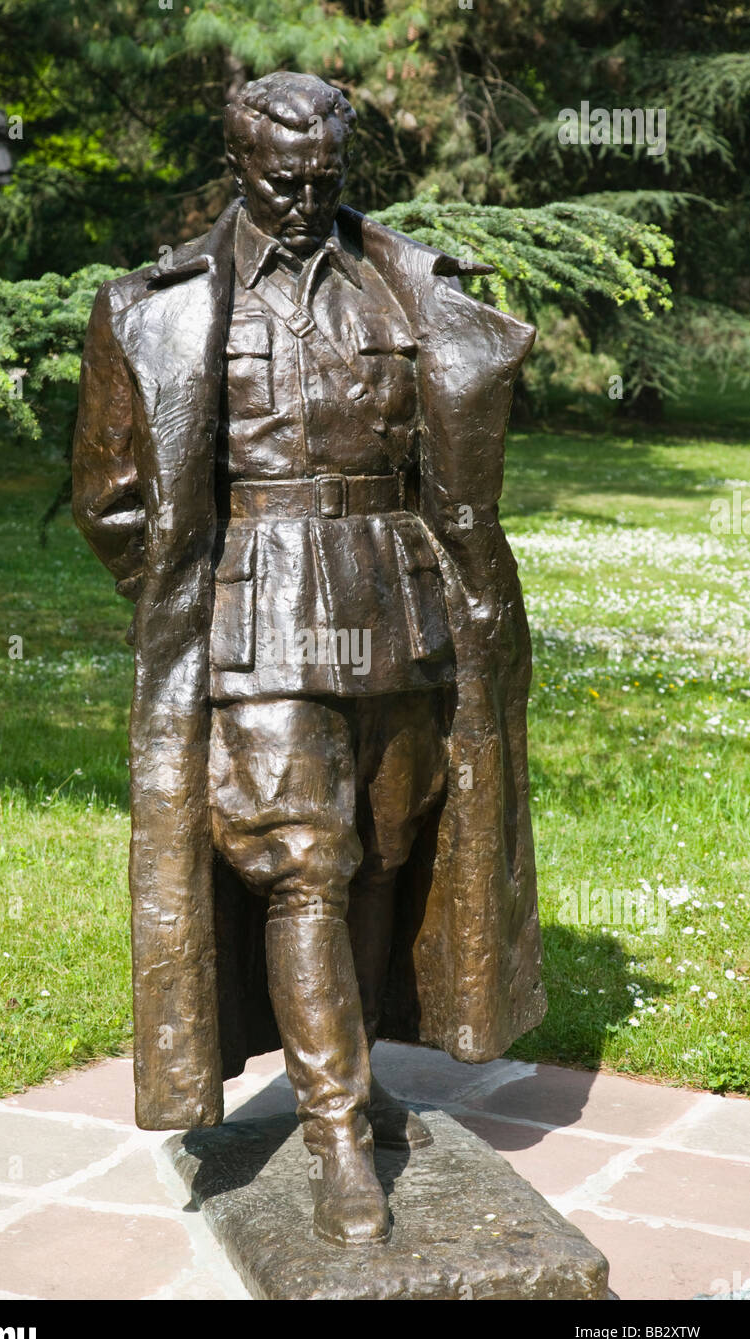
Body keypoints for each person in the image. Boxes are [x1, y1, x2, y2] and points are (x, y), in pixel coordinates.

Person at [73, 71, 546, 1248]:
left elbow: (455, 461)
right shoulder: (160, 303)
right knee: (303, 860)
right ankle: (334, 1129)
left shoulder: (407, 279)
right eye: (282, 178)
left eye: (324, 179)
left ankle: (363, 1076)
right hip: (257, 608)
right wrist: (200, 593)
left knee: (387, 845)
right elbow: (112, 500)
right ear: (238, 164)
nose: (303, 196)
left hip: (394, 593)